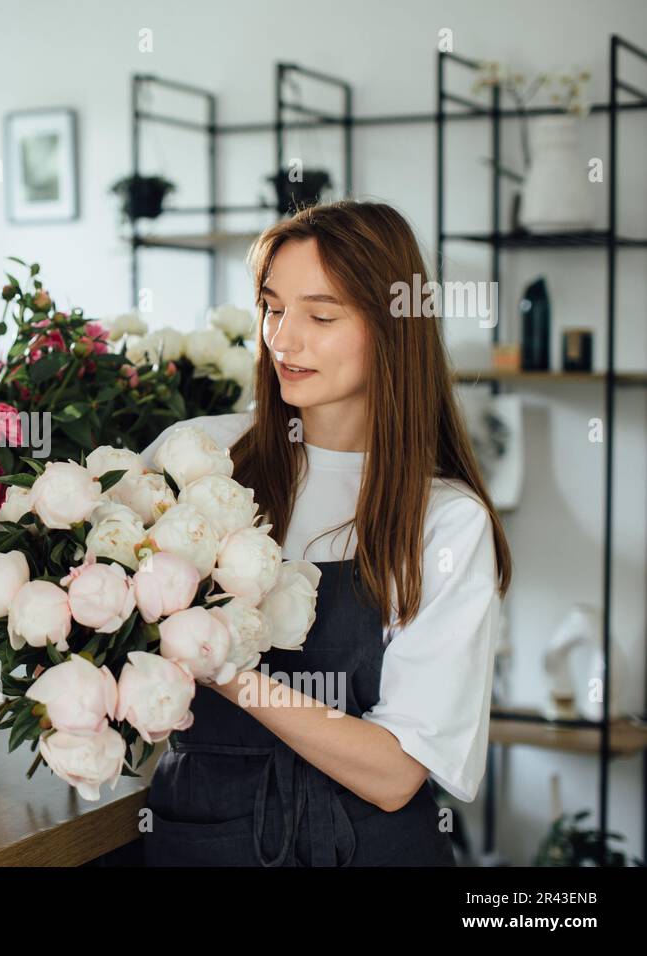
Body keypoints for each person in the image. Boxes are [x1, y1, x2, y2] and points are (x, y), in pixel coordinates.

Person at [138, 199, 512, 867]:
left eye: (321, 315)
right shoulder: (195, 457)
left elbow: (397, 775)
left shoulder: (445, 521)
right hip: (195, 836)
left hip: (364, 849)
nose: (283, 339)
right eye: (272, 307)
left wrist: (226, 667)